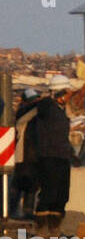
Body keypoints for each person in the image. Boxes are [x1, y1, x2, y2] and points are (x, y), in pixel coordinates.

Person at [30, 75, 77, 232]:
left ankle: (54, 227)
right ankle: (42, 228)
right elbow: (43, 106)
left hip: (62, 156)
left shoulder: (60, 110)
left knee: (62, 195)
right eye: (67, 92)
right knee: (49, 192)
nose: (69, 96)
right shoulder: (47, 107)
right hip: (49, 157)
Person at [10, 89, 42, 218]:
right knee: (21, 184)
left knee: (30, 186)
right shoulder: (24, 114)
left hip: (31, 155)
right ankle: (13, 212)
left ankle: (25, 213)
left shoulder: (34, 115)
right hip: (23, 155)